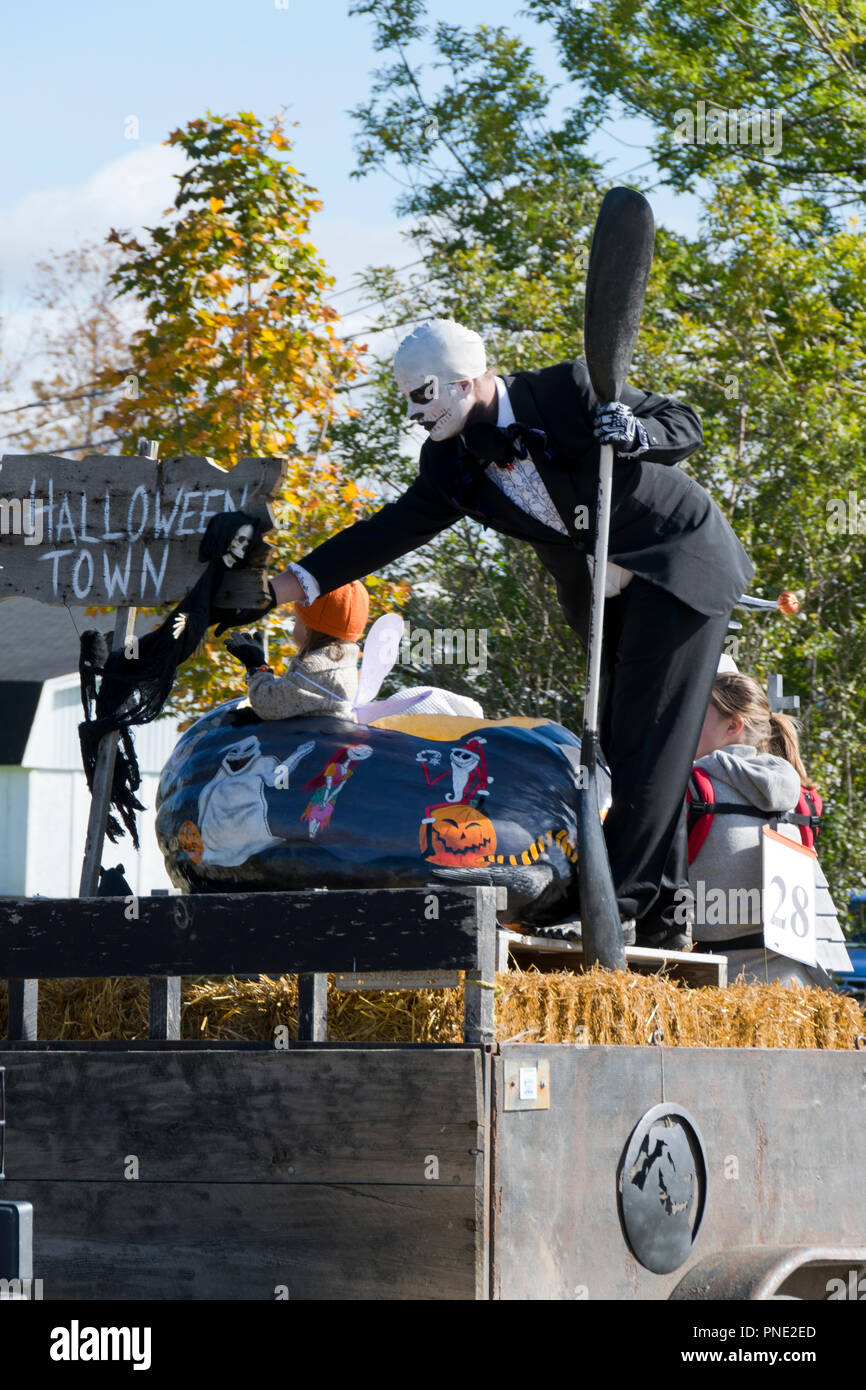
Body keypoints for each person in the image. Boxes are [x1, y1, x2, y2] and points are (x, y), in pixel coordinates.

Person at [249, 318, 752, 948]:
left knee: (650, 736)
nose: (414, 414)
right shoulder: (450, 463)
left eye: (422, 394)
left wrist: (635, 432)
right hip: (602, 588)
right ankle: (666, 916)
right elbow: (385, 533)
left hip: (677, 563)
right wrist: (274, 592)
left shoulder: (567, 389)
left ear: (464, 381)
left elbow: (683, 422)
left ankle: (618, 903)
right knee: (631, 749)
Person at [687, 672, 844, 987]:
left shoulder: (691, 787)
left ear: (733, 725)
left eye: (698, 716)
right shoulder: (799, 795)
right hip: (797, 988)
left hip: (717, 985)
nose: (687, 726)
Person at [226, 581, 369, 721]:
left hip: (309, 742)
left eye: (296, 621)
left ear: (309, 629)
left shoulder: (313, 670)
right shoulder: (340, 665)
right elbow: (292, 695)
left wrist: (256, 667)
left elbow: (269, 705)